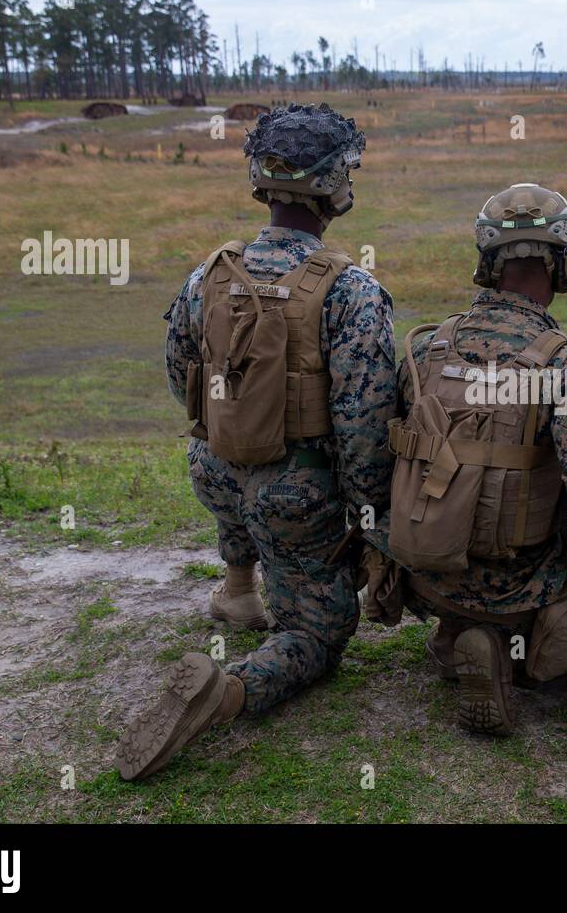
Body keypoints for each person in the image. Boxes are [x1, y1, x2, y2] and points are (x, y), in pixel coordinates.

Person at [115, 103, 397, 780]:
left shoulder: (209, 272)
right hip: (295, 493)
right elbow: (362, 426)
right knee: (316, 636)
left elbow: (177, 369)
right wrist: (369, 524)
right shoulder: (351, 291)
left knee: (243, 491)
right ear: (332, 188)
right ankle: (227, 692)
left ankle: (239, 587)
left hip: (214, 468)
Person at [369, 183, 567, 735]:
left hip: (429, 578)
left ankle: (457, 633)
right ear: (561, 263)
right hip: (524, 589)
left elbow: (379, 462)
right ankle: (513, 646)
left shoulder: (425, 349)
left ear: (487, 261)